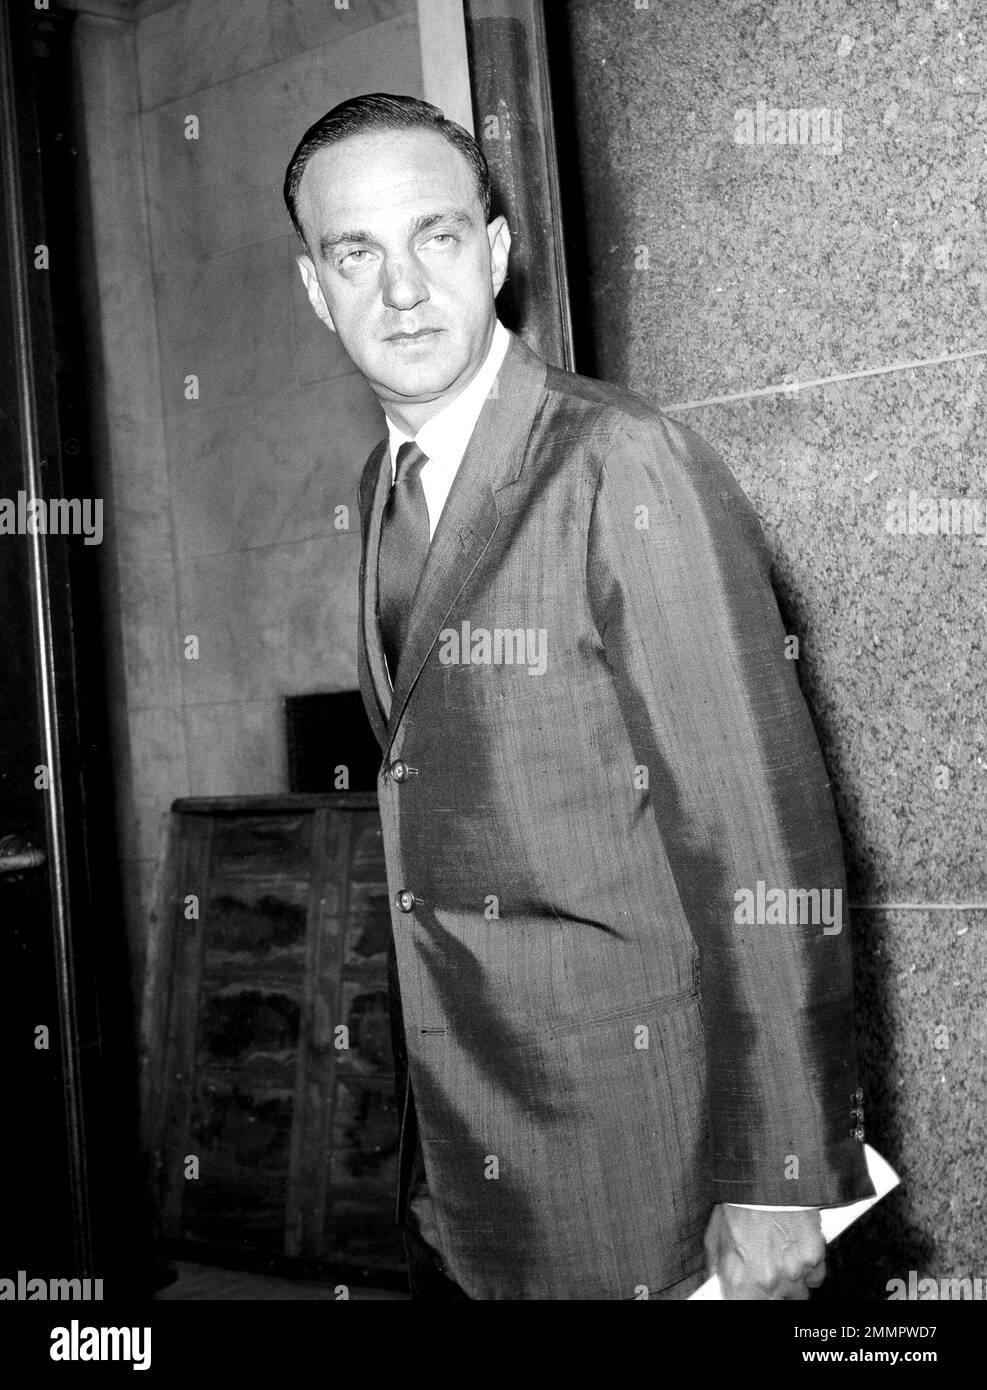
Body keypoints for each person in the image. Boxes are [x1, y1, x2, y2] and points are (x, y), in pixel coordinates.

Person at [283, 92, 874, 1300]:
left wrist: (777, 1175)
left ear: (496, 255)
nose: (401, 290)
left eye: (437, 238)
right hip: (461, 1165)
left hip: (641, 1166)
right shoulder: (387, 484)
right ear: (314, 289)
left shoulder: (619, 460)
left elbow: (758, 828)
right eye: (358, 253)